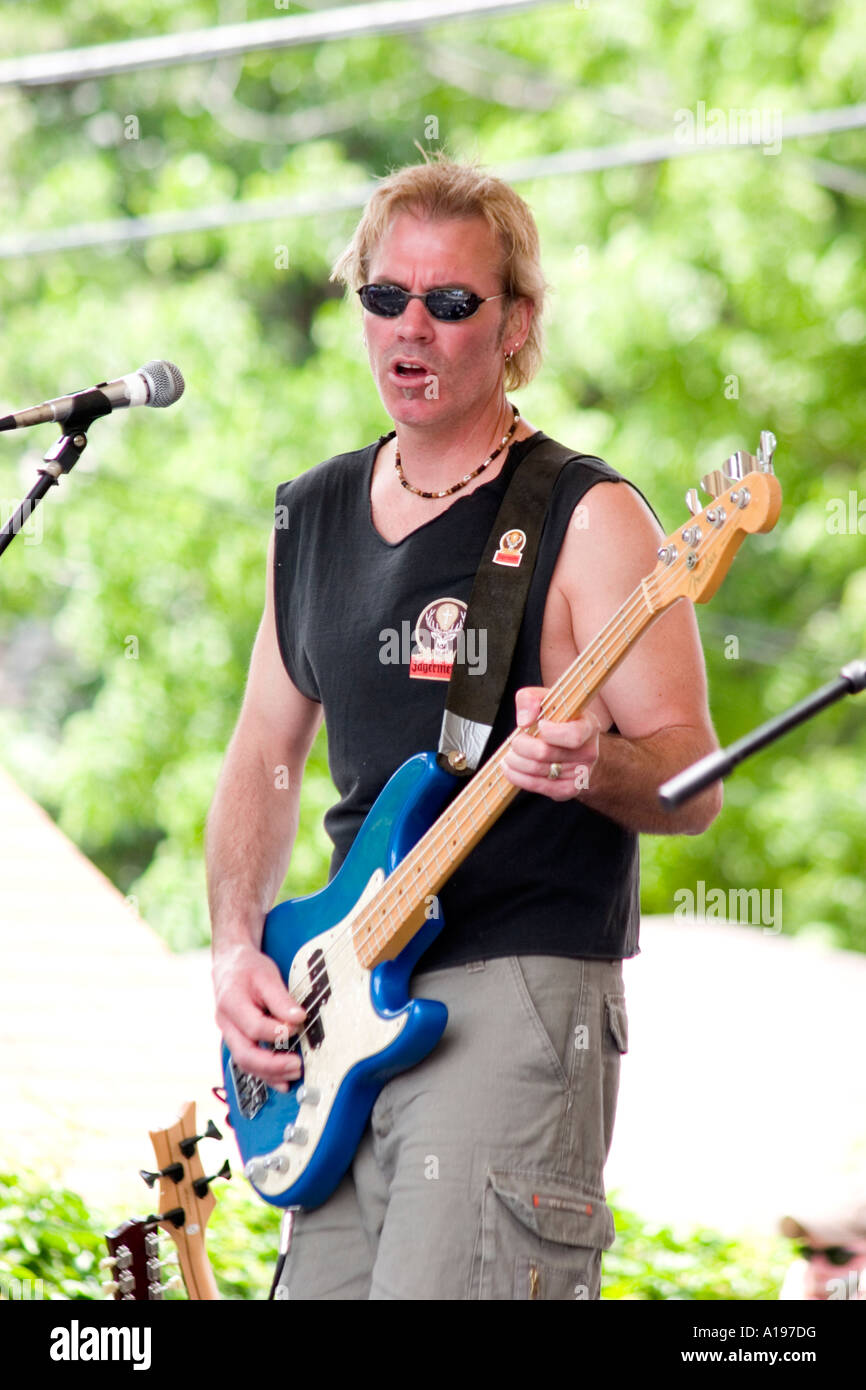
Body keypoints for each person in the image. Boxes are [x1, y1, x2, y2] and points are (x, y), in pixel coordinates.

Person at [207, 156, 722, 1300]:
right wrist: (238, 943)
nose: (412, 329)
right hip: (340, 1001)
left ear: (515, 322)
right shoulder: (313, 513)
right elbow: (262, 757)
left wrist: (590, 763)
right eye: (384, 297)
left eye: (450, 304)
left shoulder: (590, 514)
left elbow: (692, 778)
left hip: (516, 984)